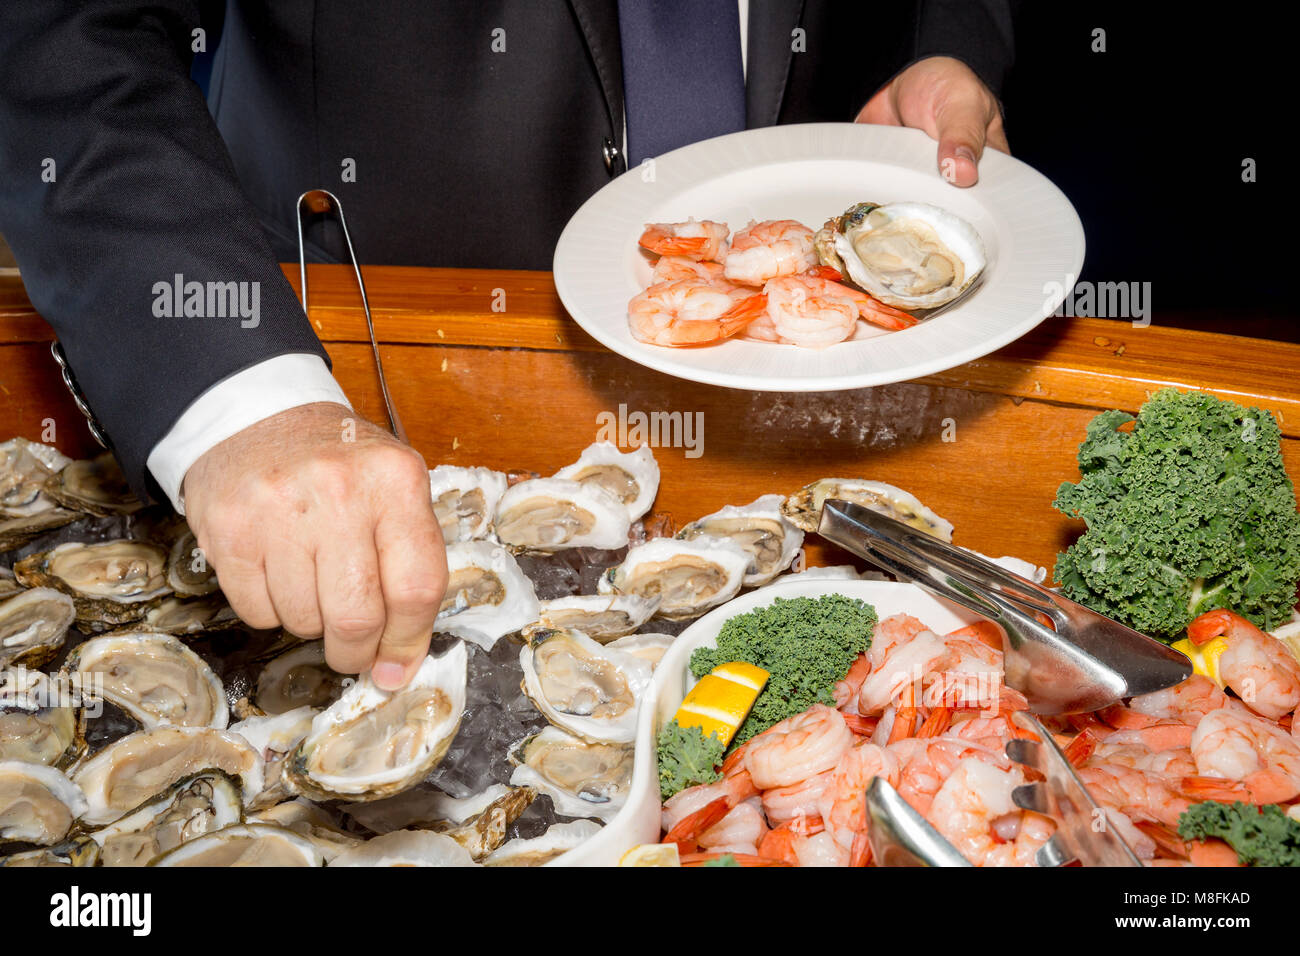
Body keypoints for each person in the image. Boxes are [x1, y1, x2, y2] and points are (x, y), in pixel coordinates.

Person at [0, 1, 1012, 689]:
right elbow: (59, 34)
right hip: (366, 366)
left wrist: (944, 38)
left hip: (818, 363)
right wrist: (236, 394)